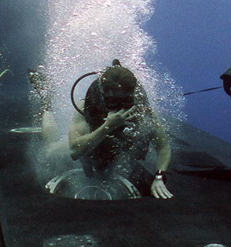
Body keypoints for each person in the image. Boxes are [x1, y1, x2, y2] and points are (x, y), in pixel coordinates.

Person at [68, 62, 173, 199]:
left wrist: (159, 177)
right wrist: (107, 127)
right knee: (50, 151)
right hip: (91, 145)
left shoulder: (142, 109)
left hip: (121, 153)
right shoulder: (88, 106)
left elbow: (163, 147)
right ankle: (46, 103)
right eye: (112, 101)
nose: (118, 108)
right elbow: (74, 152)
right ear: (103, 94)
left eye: (124, 101)